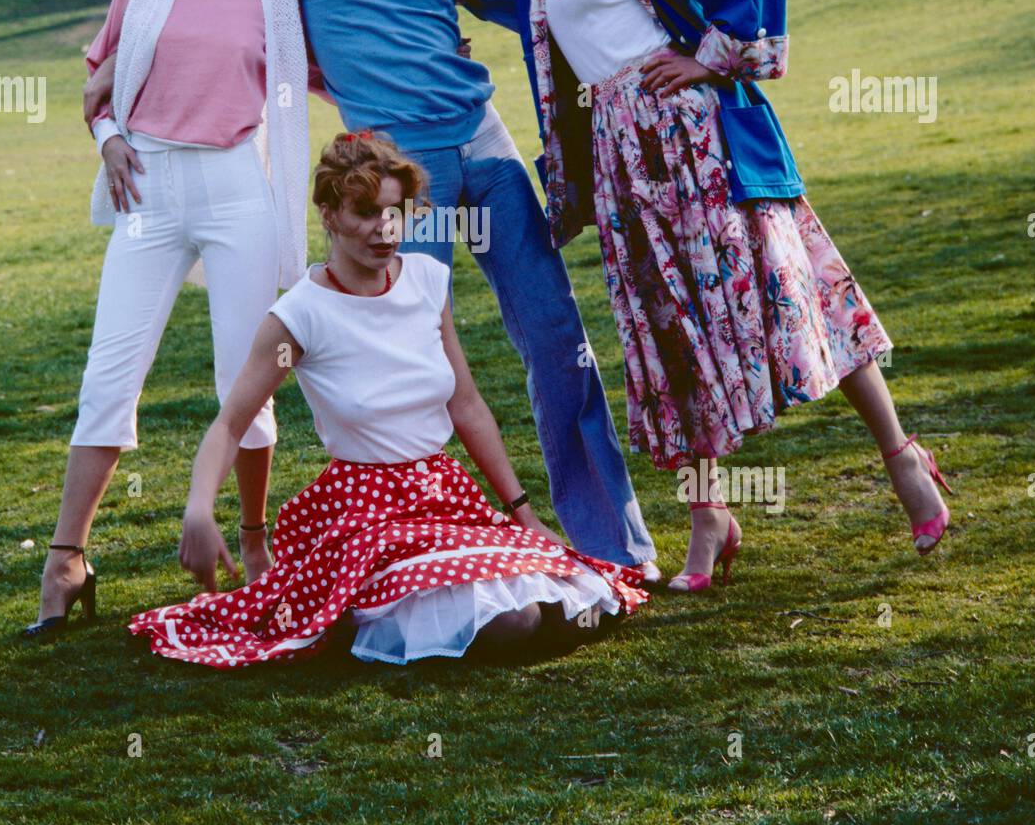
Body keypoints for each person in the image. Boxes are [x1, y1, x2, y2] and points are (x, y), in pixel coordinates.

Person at [480, 0, 951, 592]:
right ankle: (708, 518)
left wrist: (708, 56)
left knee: (791, 297)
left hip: (702, 144)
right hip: (626, 167)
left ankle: (903, 460)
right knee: (668, 336)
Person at [243, 0, 660, 578]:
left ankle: (612, 544)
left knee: (555, 341)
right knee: (408, 357)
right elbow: (231, 7)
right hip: (402, 173)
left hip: (486, 148)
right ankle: (435, 545)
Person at [128, 133, 651, 669]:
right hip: (363, 512)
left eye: (397, 212)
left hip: (447, 496)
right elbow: (231, 423)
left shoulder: (426, 280)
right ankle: (377, 611)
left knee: (577, 605)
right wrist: (198, 509)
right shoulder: (300, 316)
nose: (386, 229)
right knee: (515, 623)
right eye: (365, 212)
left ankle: (444, 612)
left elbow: (466, 403)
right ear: (329, 213)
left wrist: (522, 512)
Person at [23, 0, 310, 639]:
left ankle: (254, 543)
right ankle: (66, 558)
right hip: (147, 182)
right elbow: (99, 78)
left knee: (243, 381)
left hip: (233, 189)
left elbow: (314, 75)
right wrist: (108, 139)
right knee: (107, 377)